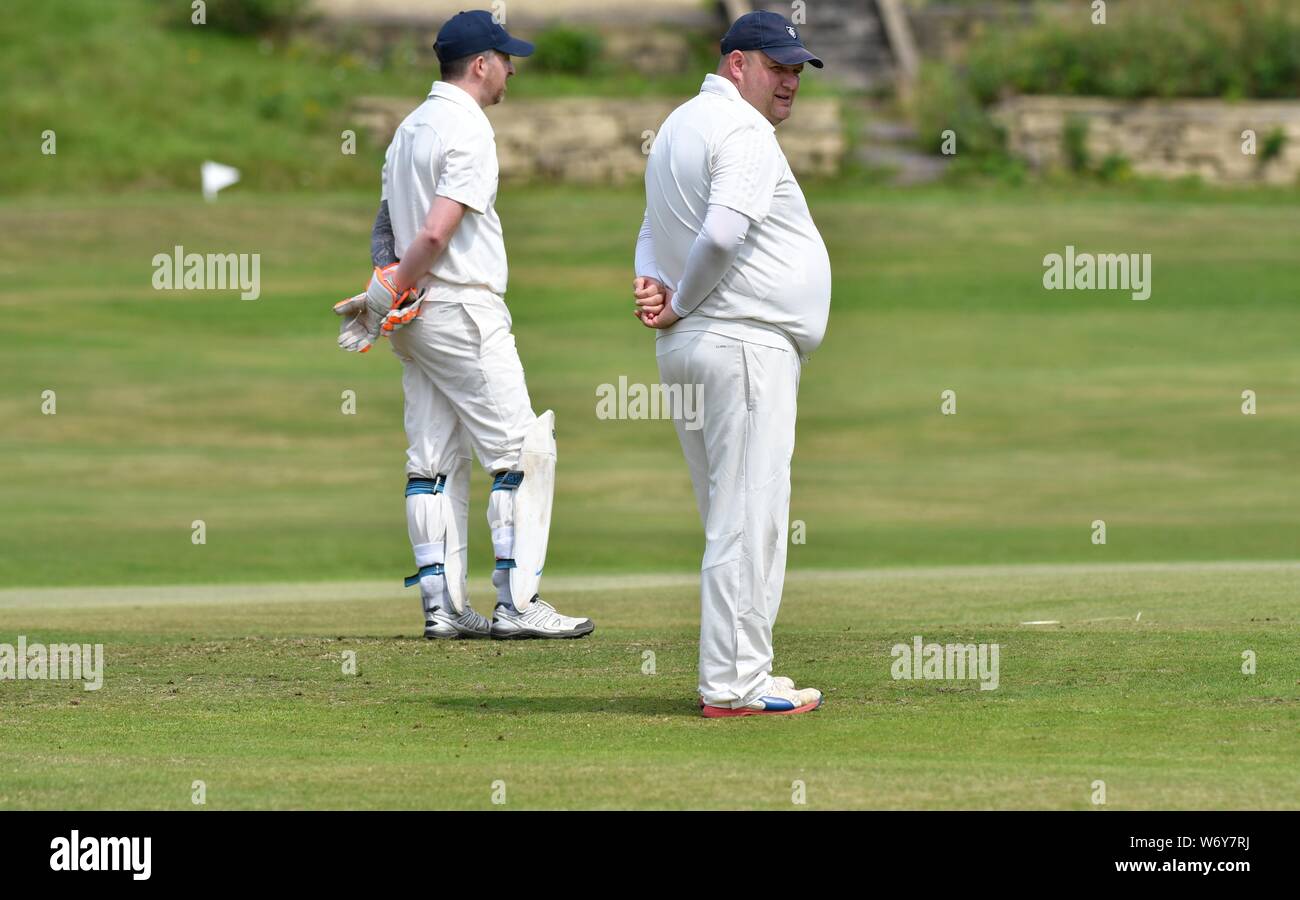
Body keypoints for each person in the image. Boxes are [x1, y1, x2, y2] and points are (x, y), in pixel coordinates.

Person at [334, 10, 594, 641]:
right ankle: (519, 602)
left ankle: (442, 606)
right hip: (461, 306)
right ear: (481, 65)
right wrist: (391, 289)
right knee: (522, 451)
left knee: (432, 458)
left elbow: (386, 229)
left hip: (414, 318)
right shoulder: (468, 129)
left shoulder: (408, 129)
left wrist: (384, 295)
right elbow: (432, 231)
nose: (511, 71)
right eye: (506, 60)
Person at [633, 11, 832, 716]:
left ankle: (749, 668)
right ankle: (734, 685)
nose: (789, 83)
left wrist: (653, 282)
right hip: (739, 343)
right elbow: (719, 233)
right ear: (737, 63)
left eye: (796, 71)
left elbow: (654, 225)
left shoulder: (681, 124)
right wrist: (681, 299)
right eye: (777, 68)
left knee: (734, 515)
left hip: (698, 350)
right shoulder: (743, 131)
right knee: (748, 517)